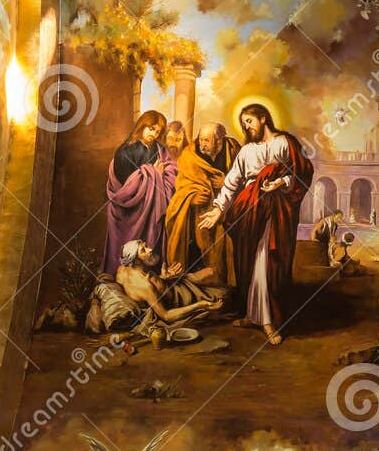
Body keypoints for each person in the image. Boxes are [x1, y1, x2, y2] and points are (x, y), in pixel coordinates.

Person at [198, 105, 314, 345]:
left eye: (250, 121)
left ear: (263, 119)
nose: (246, 126)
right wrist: (219, 209)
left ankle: (268, 320)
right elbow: (231, 183)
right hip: (250, 208)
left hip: (277, 209)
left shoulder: (284, 143)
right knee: (250, 260)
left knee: (267, 258)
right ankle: (253, 314)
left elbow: (302, 172)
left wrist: (280, 182)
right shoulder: (247, 151)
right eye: (243, 123)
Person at [163, 122, 240, 284]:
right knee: (198, 249)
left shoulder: (233, 149)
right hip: (197, 213)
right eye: (200, 139)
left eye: (207, 140)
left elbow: (245, 176)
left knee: (226, 249)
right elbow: (182, 185)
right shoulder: (189, 155)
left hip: (227, 209)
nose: (202, 144)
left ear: (219, 141)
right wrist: (191, 197)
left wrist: (227, 181)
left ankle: (224, 281)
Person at [103, 111, 177, 275]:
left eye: (158, 131)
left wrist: (159, 175)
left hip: (153, 207)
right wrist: (155, 173)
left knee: (149, 251)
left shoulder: (159, 149)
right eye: (151, 129)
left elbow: (171, 168)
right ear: (142, 126)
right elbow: (127, 188)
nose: (154, 134)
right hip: (131, 209)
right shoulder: (125, 152)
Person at [116, 240, 225, 326]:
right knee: (224, 294)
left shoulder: (122, 270)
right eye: (143, 251)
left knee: (211, 272)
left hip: (173, 284)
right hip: (181, 297)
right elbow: (166, 315)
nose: (150, 250)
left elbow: (125, 284)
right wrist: (199, 305)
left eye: (146, 246)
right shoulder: (146, 286)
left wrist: (162, 278)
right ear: (135, 261)